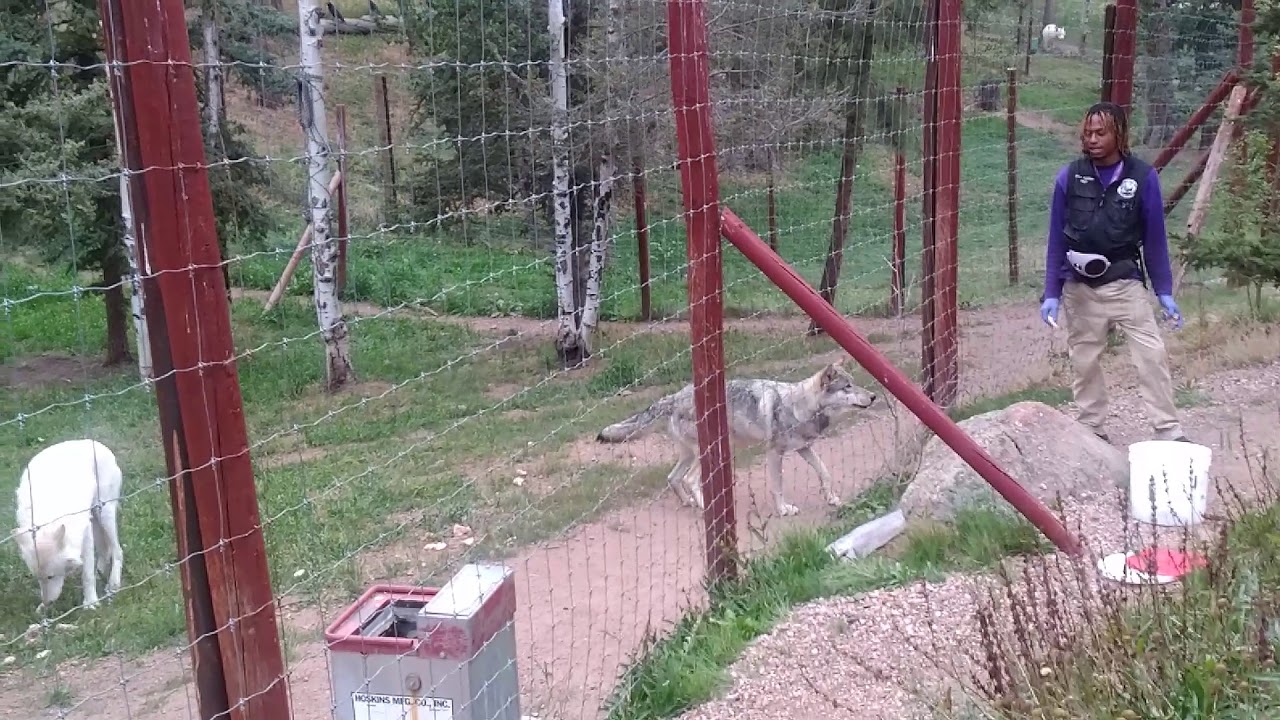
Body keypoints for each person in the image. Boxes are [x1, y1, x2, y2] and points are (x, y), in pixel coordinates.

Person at [1039, 101, 1190, 444]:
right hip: (1080, 288)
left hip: (1125, 285)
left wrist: (1164, 290)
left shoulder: (1142, 177)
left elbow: (1154, 237)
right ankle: (1092, 428)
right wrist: (1051, 293)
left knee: (1151, 354)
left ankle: (1168, 429)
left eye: (1100, 132)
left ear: (1119, 134)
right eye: (1088, 133)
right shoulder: (1070, 176)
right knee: (1084, 358)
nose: (1092, 139)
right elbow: (1055, 238)